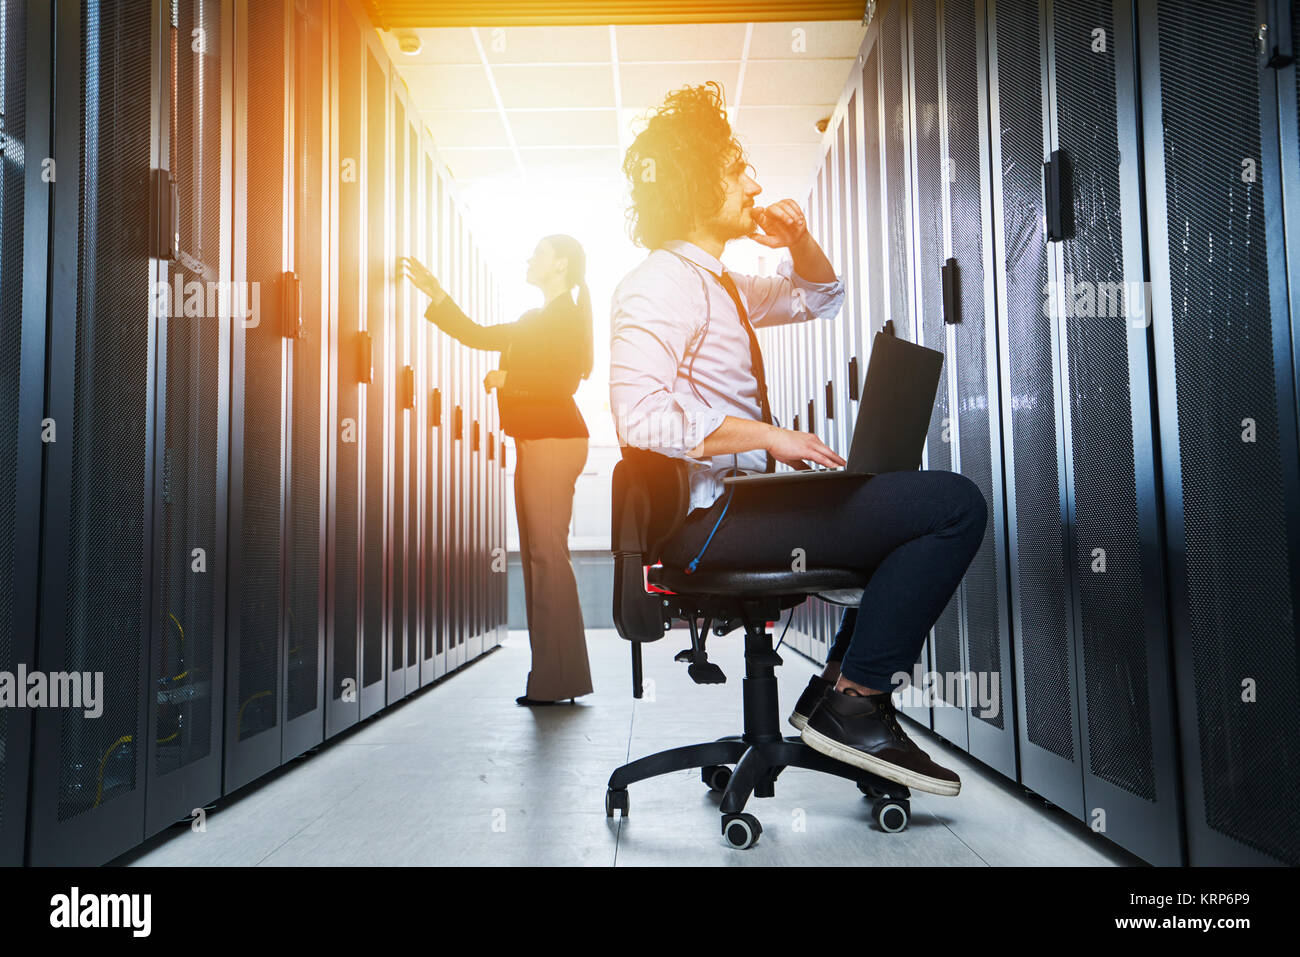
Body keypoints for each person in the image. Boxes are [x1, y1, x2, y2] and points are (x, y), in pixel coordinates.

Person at [608, 82, 986, 796]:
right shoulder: (659, 283)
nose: (753, 182)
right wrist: (769, 437)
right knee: (953, 506)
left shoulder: (719, 281)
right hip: (709, 523)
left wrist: (797, 240)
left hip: (739, 509)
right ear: (693, 182)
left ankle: (837, 693)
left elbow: (821, 296)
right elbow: (640, 416)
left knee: (910, 505)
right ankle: (854, 699)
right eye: (733, 168)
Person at [400, 236, 594, 707]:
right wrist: (436, 293)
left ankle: (559, 679)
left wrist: (509, 379)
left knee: (547, 558)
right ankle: (552, 677)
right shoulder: (535, 319)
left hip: (556, 440)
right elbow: (477, 334)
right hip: (535, 440)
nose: (529, 257)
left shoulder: (566, 315)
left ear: (561, 265)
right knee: (537, 559)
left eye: (538, 253)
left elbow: (565, 379)